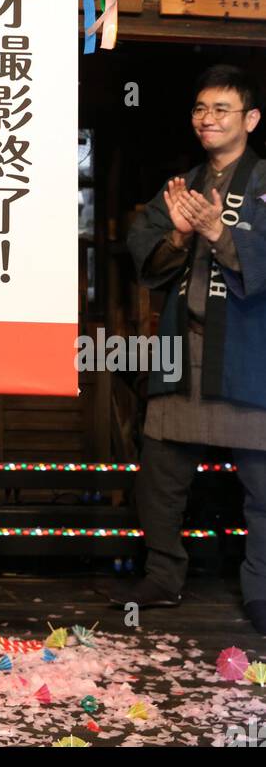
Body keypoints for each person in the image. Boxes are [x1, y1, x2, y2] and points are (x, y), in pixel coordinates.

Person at [119, 65, 266, 633]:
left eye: (221, 109)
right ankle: (162, 576)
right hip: (184, 349)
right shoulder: (181, 185)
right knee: (159, 471)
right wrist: (180, 232)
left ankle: (259, 588)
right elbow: (143, 250)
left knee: (262, 486)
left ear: (250, 119)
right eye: (200, 108)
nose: (207, 118)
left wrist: (220, 234)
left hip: (248, 353)